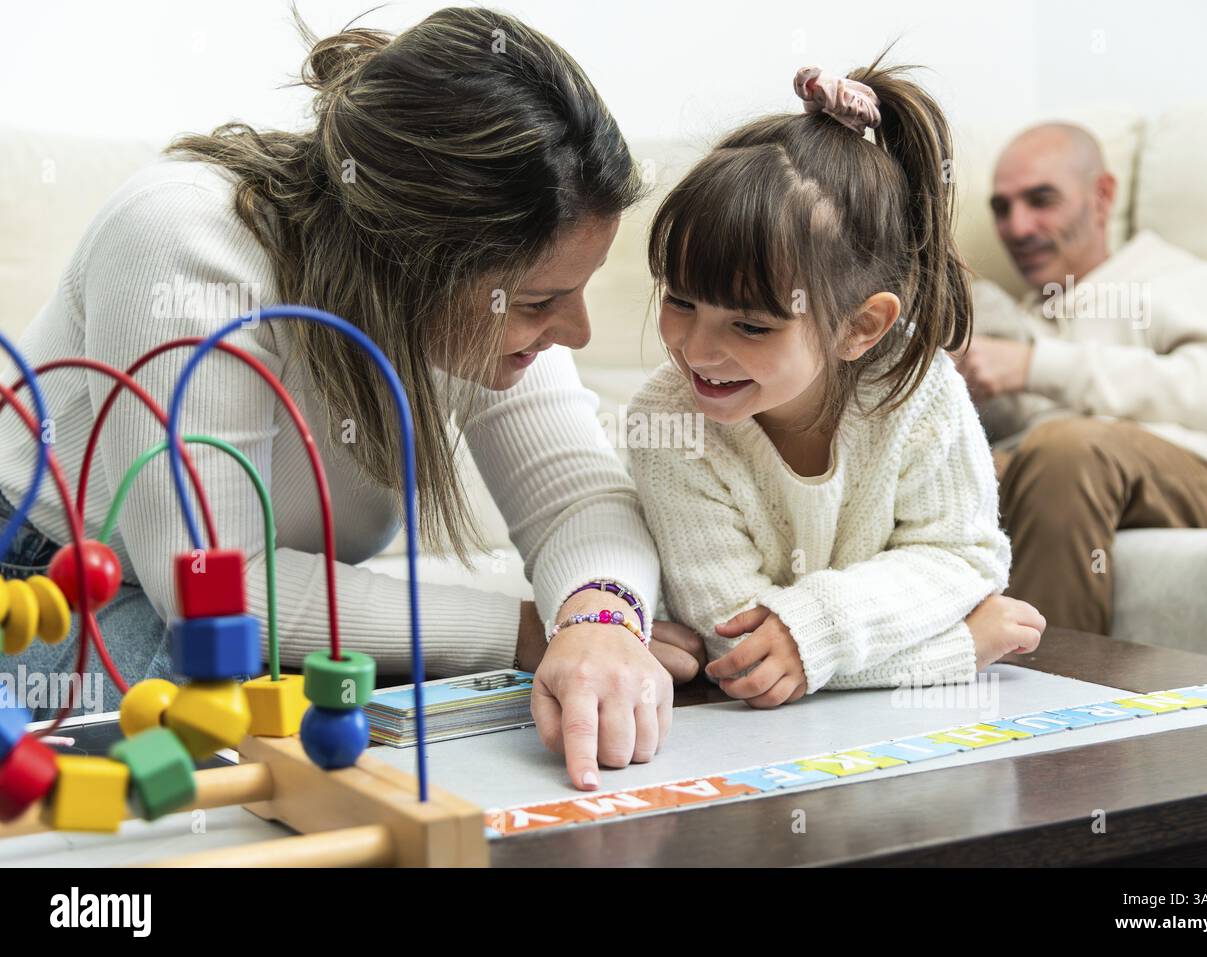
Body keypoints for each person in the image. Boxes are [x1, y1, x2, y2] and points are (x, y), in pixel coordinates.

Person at [0, 7, 705, 791]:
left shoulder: (480, 306)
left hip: (191, 607)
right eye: (539, 302)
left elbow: (578, 497)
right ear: (413, 262)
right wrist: (530, 631)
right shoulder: (187, 243)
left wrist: (598, 618)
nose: (572, 332)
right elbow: (217, 591)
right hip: (41, 582)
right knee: (234, 718)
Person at [627, 63, 1045, 708]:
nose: (698, 350)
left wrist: (813, 630)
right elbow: (737, 655)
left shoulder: (920, 390)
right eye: (681, 301)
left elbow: (963, 560)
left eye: (749, 325)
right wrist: (957, 648)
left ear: (860, 327)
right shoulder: (666, 420)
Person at [958, 122, 1207, 634]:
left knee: (1067, 449)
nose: (1018, 227)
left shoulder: (1186, 281)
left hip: (1183, 479)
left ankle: (1056, 696)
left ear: (1102, 197)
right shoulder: (1018, 317)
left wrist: (1037, 366)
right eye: (1002, 208)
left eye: (1041, 199)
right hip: (1060, 476)